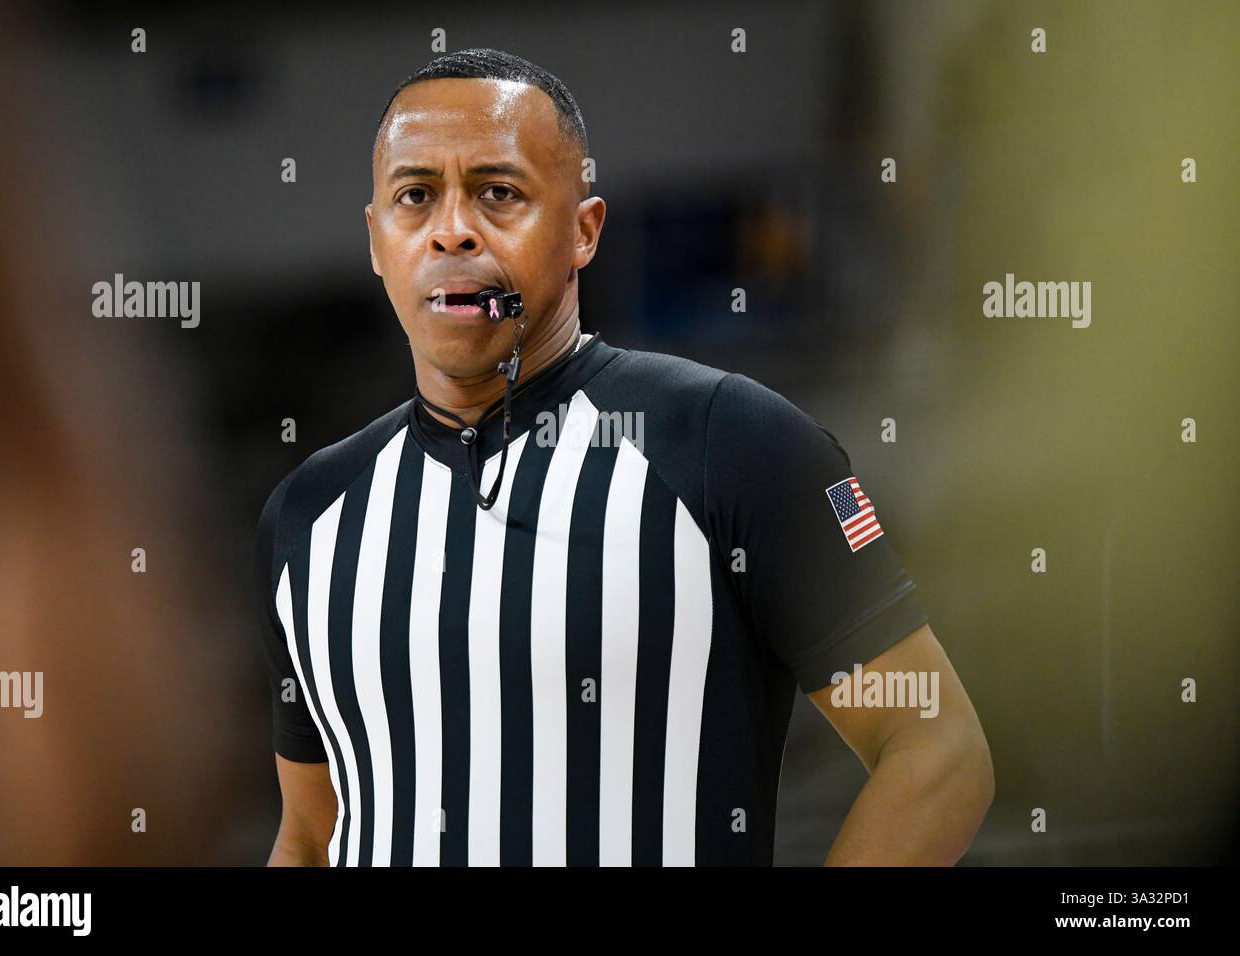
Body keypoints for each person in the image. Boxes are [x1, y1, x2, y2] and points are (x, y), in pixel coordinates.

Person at [254, 48, 993, 866]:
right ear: (376, 240)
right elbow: (311, 834)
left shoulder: (729, 440)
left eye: (498, 193)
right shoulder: (308, 515)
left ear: (583, 229)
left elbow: (937, 750)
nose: (452, 229)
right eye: (415, 196)